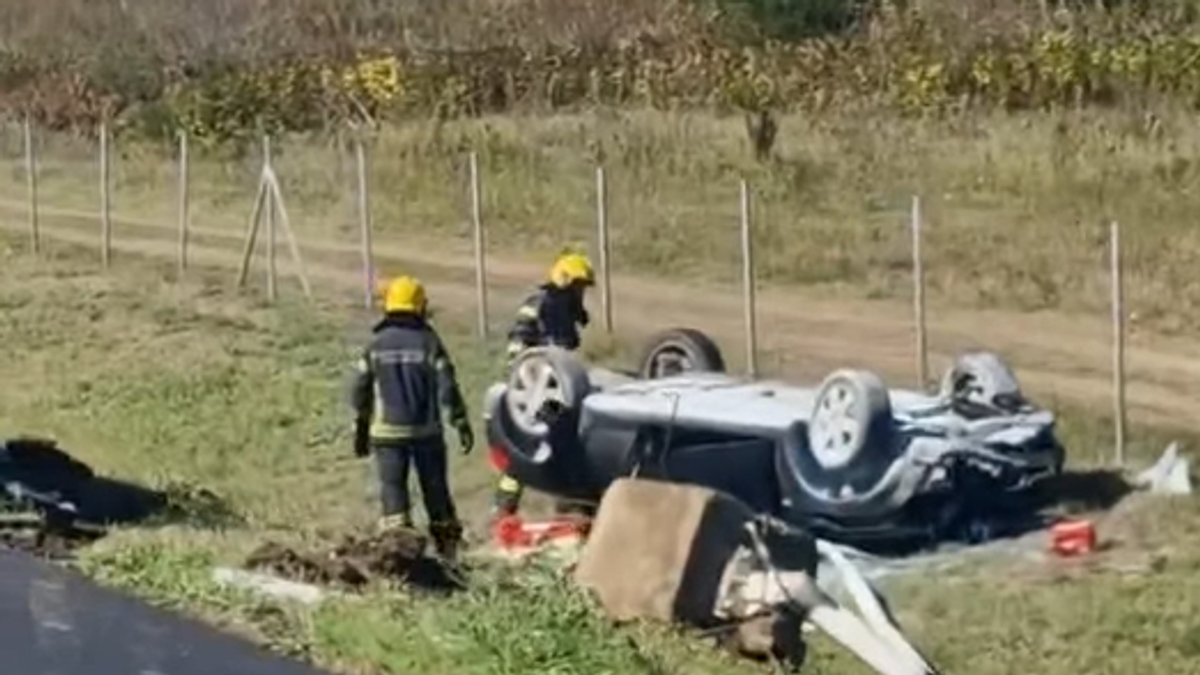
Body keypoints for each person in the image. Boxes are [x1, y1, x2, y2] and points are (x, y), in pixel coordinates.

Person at [348, 275, 475, 560]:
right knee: (436, 490)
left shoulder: (376, 344)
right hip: (425, 433)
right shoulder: (429, 342)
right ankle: (449, 553)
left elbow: (359, 390)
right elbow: (447, 386)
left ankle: (400, 555)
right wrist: (460, 421)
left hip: (386, 435)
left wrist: (360, 429)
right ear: (420, 306)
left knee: (393, 491)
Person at [492, 252, 595, 519]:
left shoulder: (559, 309)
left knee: (555, 445)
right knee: (535, 446)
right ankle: (506, 510)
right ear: (564, 282)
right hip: (536, 390)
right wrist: (525, 383)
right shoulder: (544, 306)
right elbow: (522, 347)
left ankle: (566, 508)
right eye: (578, 288)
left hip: (549, 387)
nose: (581, 294)